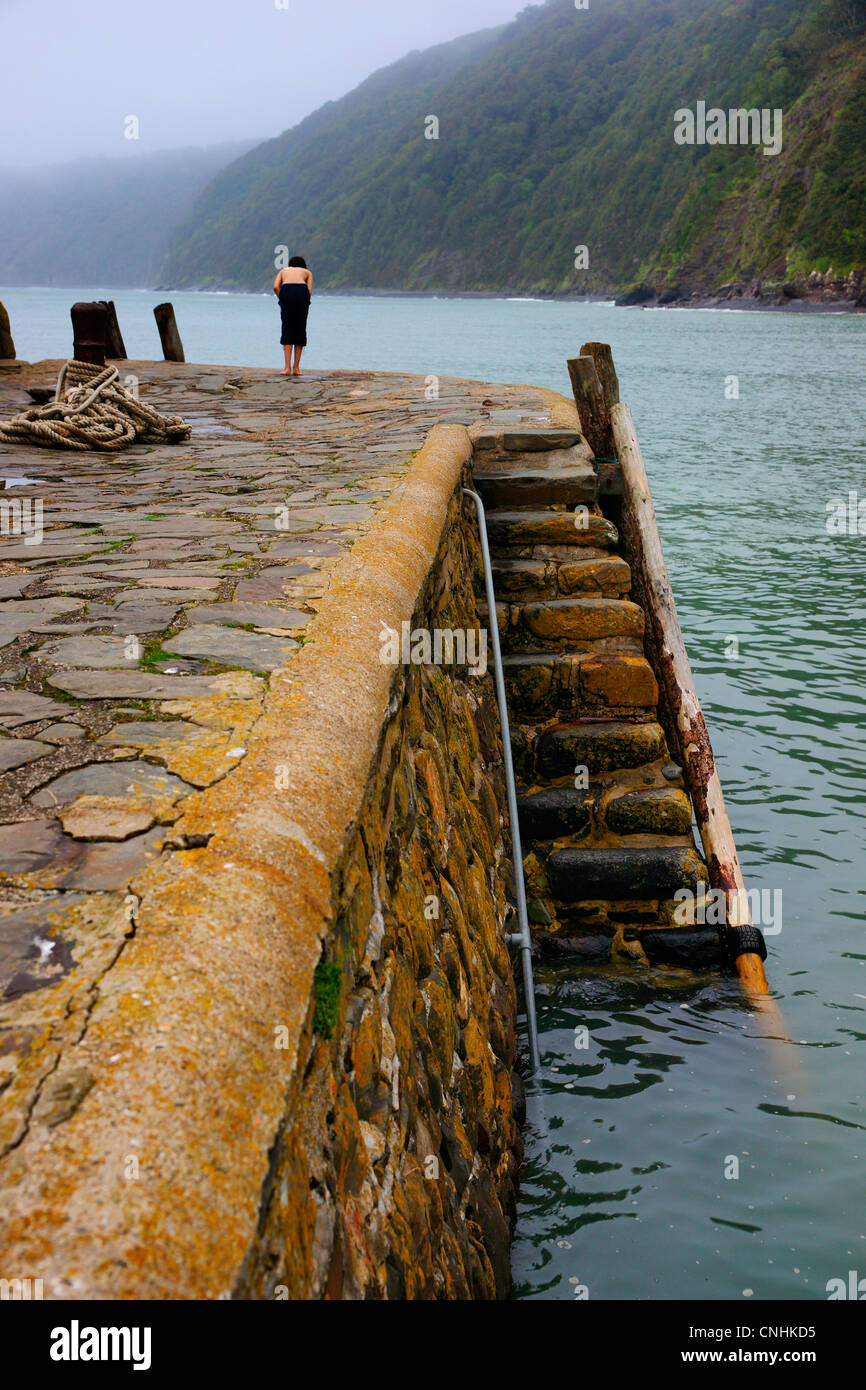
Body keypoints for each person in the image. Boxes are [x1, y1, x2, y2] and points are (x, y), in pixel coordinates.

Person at [273, 256, 313, 376]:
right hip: (302, 292)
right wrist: (304, 302)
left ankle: (286, 368)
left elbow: (275, 287)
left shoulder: (283, 271)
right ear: (303, 265)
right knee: (300, 329)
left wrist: (282, 299)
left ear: (290, 265)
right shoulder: (307, 272)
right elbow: (309, 291)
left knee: (287, 329)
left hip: (286, 291)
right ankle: (296, 368)